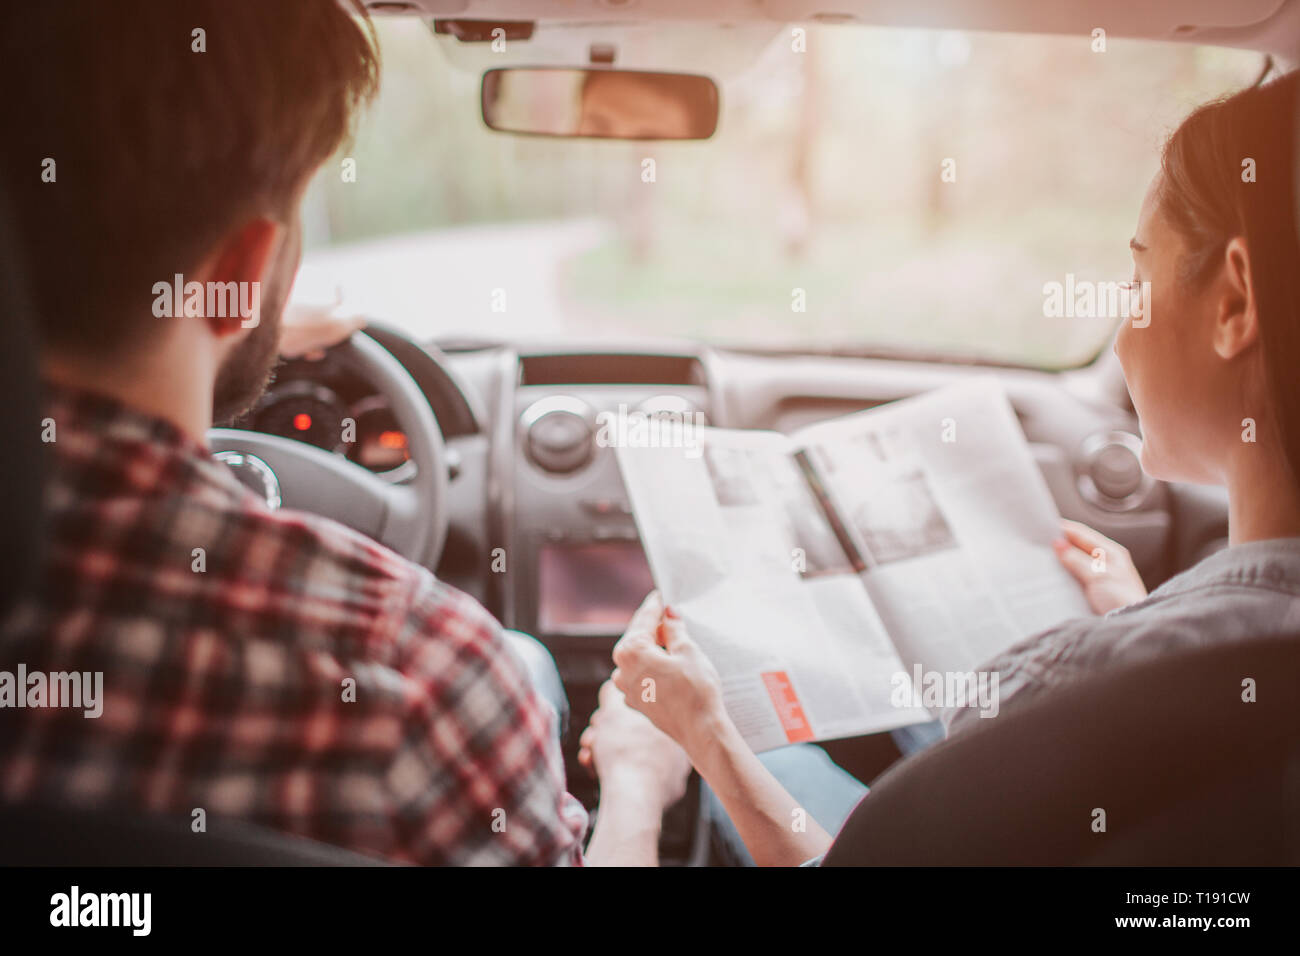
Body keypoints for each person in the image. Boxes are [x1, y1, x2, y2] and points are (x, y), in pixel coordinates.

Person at [0, 0, 688, 866]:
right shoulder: (421, 677)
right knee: (528, 664)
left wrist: (226, 318)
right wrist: (634, 780)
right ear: (251, 268)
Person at [582, 70, 1300, 865]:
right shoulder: (1179, 668)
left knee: (774, 757)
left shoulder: (1067, 683)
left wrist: (700, 737)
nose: (1124, 335)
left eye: (1137, 282)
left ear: (1234, 305)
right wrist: (1136, 622)